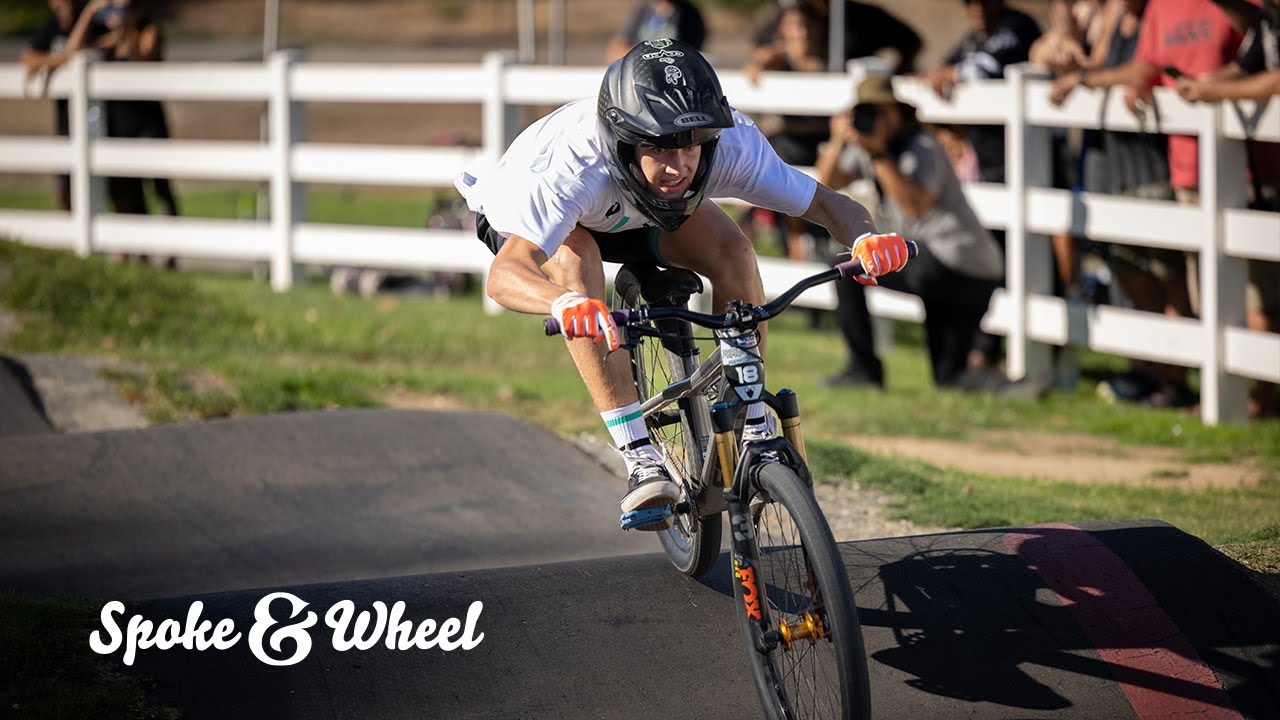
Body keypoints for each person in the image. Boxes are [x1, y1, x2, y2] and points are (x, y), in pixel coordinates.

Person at [454, 39, 910, 530]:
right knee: (576, 261)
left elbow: (826, 203)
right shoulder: (571, 169)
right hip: (552, 221)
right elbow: (506, 274)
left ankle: (749, 417)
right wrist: (563, 303)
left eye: (690, 146)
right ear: (624, 140)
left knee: (734, 251)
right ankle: (640, 458)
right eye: (657, 147)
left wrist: (867, 238)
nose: (678, 165)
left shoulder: (730, 142)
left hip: (643, 209)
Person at [1050, 0, 1246, 408]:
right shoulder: (1116, 17)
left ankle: (1176, 381)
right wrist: (1068, 37)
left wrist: (1087, 79)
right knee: (1130, 271)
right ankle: (1150, 372)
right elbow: (1094, 62)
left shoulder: (1159, 12)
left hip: (1154, 162)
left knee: (1169, 276)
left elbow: (1144, 70)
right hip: (1115, 165)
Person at [815, 74, 1003, 389]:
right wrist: (838, 141)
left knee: (847, 269)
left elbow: (915, 207)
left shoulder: (923, 146)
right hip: (937, 265)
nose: (876, 120)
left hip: (961, 267)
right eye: (867, 111)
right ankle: (864, 371)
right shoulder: (869, 146)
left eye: (882, 111)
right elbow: (827, 183)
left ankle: (864, 372)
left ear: (898, 111)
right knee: (949, 380)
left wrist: (878, 154)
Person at [1174, 0, 1280, 417]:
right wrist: (1200, 85)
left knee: (1266, 293)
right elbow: (1245, 68)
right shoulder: (1269, 21)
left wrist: (1216, 92)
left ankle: (1262, 399)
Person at [20, 0, 87, 212]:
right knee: (63, 188)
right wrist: (58, 60)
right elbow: (29, 57)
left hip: (94, 116)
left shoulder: (88, 20)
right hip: (65, 119)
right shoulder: (53, 25)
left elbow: (78, 51)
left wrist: (50, 61)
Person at [749, 0, 923, 76]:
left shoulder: (863, 16)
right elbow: (761, 45)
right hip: (804, 108)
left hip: (851, 105)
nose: (803, 32)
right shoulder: (799, 13)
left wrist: (896, 74)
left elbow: (911, 41)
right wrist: (776, 54)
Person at [605, 0, 707, 63]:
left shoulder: (688, 13)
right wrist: (640, 57)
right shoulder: (641, 11)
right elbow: (617, 48)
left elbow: (692, 53)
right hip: (641, 69)